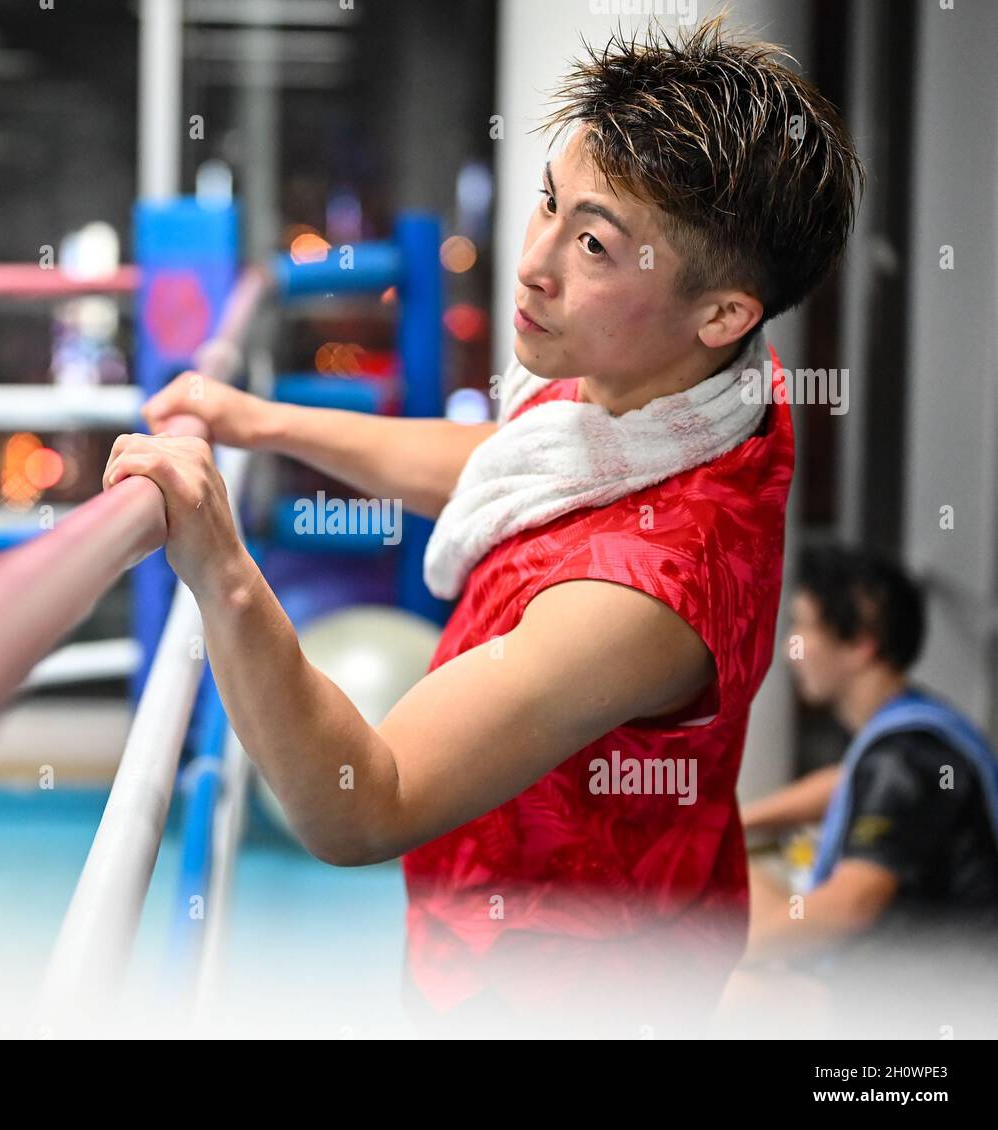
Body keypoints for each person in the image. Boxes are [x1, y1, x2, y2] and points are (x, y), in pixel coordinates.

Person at [106, 16, 863, 1036]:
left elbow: (361, 800)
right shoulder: (694, 390)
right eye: (549, 202)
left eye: (591, 243)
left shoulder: (642, 599)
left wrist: (222, 570)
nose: (532, 262)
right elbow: (512, 471)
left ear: (722, 311)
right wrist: (265, 420)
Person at [737, 547, 998, 1032]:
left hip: (938, 1002)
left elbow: (849, 908)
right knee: (735, 866)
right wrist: (735, 821)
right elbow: (845, 781)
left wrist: (720, 955)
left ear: (862, 643)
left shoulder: (907, 757)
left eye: (802, 627)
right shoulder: (916, 727)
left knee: (732, 992)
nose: (791, 647)